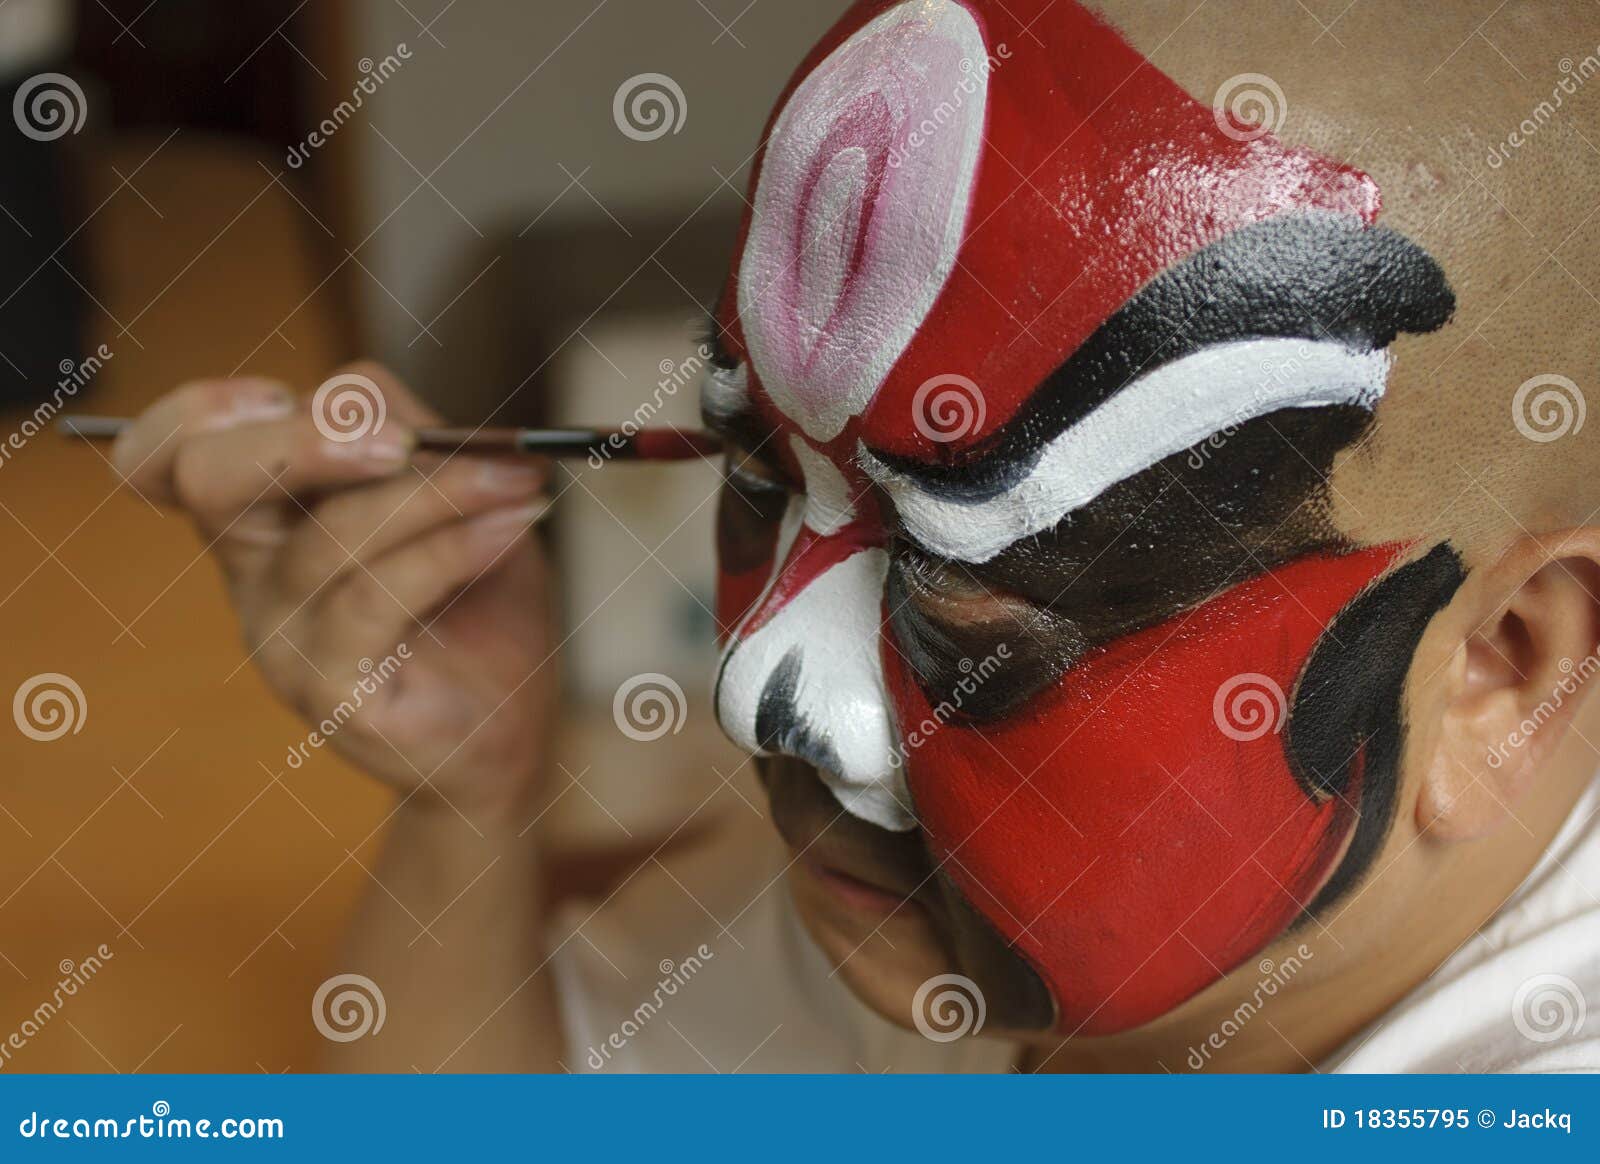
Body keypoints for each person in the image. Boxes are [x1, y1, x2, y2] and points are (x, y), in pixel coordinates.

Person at [111, 0, 1600, 1073]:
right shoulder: (941, 904)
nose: (759, 682)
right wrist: (469, 796)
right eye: (760, 471)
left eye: (962, 588)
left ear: (1505, 667)